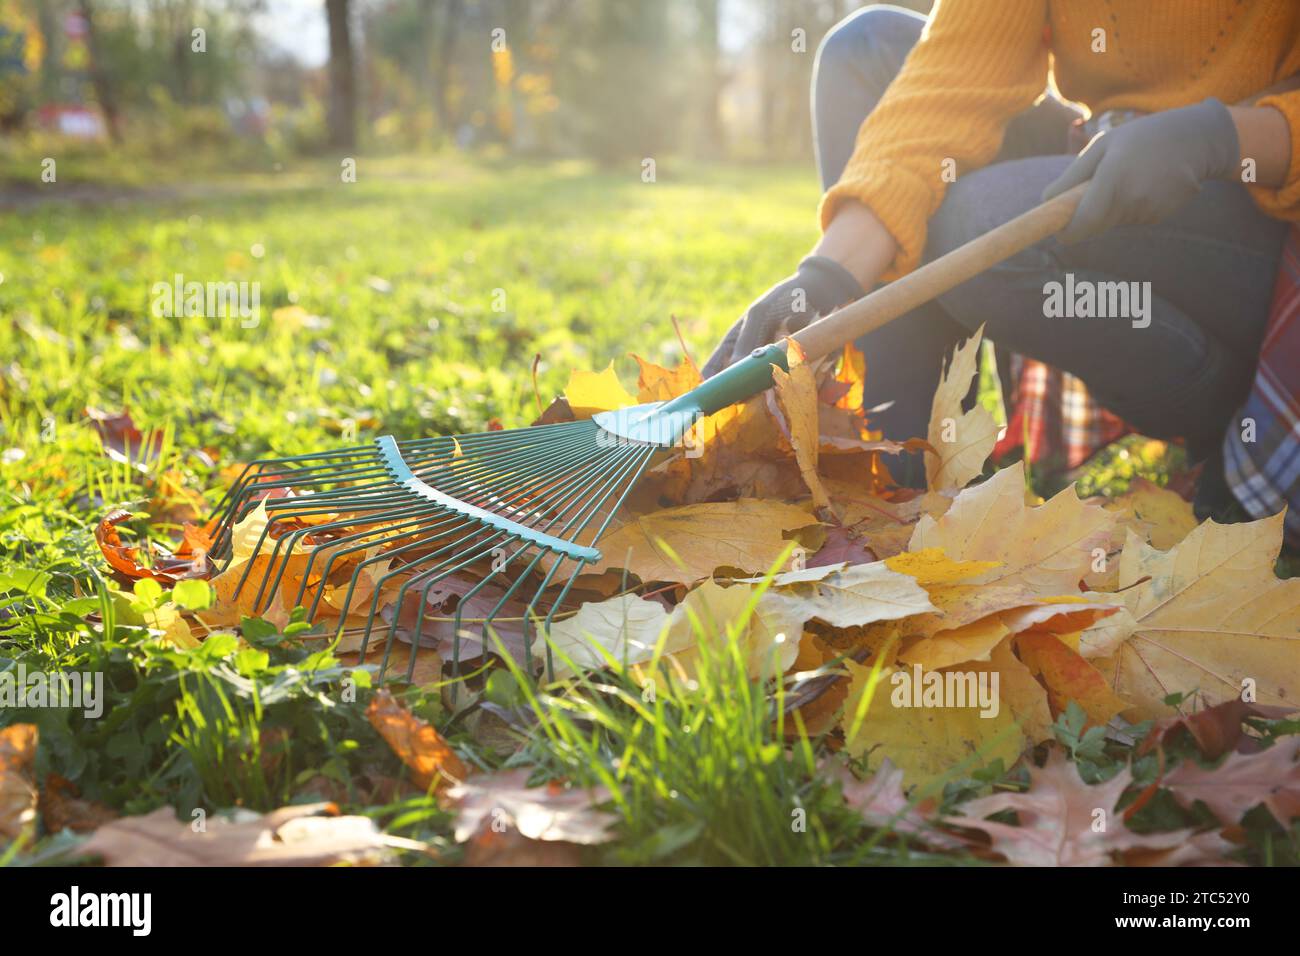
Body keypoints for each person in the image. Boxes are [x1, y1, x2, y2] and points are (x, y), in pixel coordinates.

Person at [705, 1, 1299, 517]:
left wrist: (1224, 138)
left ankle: (1235, 413)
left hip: (1264, 197)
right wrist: (826, 275)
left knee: (971, 223)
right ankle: (905, 464)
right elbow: (947, 83)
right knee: (866, 49)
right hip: (1111, 144)